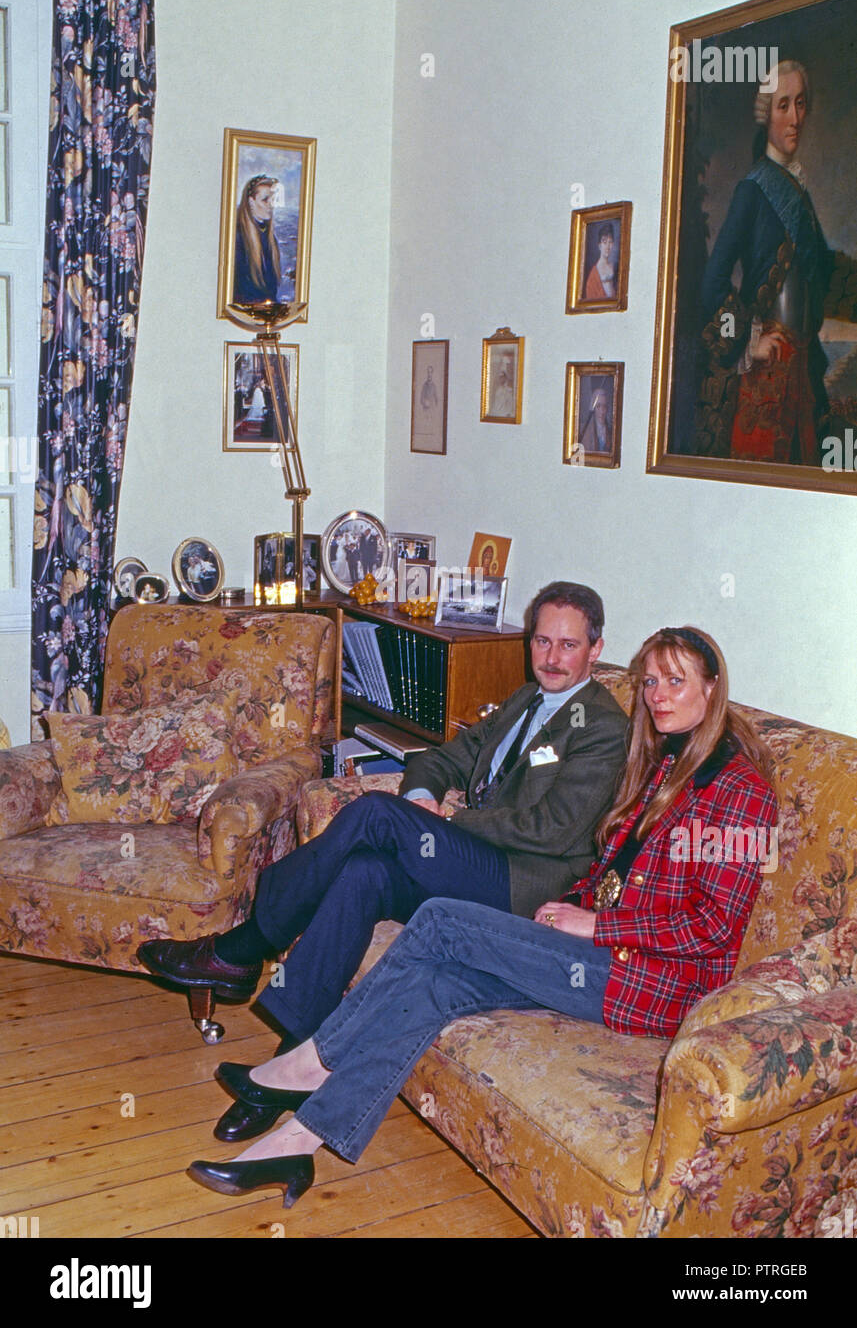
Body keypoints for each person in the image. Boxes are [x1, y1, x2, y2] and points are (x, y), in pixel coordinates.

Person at [184, 624, 778, 1206]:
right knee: (436, 983)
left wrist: (597, 925)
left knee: (444, 918)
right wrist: (577, 902)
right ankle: (299, 1141)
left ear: (713, 685)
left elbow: (715, 927)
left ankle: (315, 1060)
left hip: (651, 980)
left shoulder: (740, 789)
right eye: (649, 682)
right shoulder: (665, 763)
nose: (657, 696)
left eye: (675, 681)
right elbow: (617, 861)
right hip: (600, 950)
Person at [138, 581, 628, 1141]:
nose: (552, 658)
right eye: (542, 642)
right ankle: (289, 1067)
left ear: (596, 648)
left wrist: (450, 822)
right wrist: (422, 796)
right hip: (473, 861)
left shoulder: (603, 726)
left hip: (519, 885)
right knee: (363, 874)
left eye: (568, 645)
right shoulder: (525, 699)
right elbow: (445, 758)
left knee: (374, 813)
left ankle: (241, 947)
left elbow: (555, 829)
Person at [698, 60, 857, 465]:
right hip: (766, 371)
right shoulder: (753, 189)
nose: (795, 118)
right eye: (783, 105)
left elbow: (821, 269)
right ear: (765, 114)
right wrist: (750, 341)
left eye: (800, 104)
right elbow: (713, 280)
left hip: (803, 368)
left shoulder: (798, 192)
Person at [233, 174, 281, 306]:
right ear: (251, 202)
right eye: (265, 200)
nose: (270, 205)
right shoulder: (238, 237)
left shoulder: (270, 238)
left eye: (273, 200)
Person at [584, 223, 616, 299]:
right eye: (605, 242)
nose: (608, 246)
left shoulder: (615, 267)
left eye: (610, 242)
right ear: (599, 245)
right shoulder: (594, 274)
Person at [579, 385, 612, 453]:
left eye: (604, 406)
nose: (602, 411)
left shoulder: (610, 431)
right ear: (593, 409)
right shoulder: (587, 431)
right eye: (598, 406)